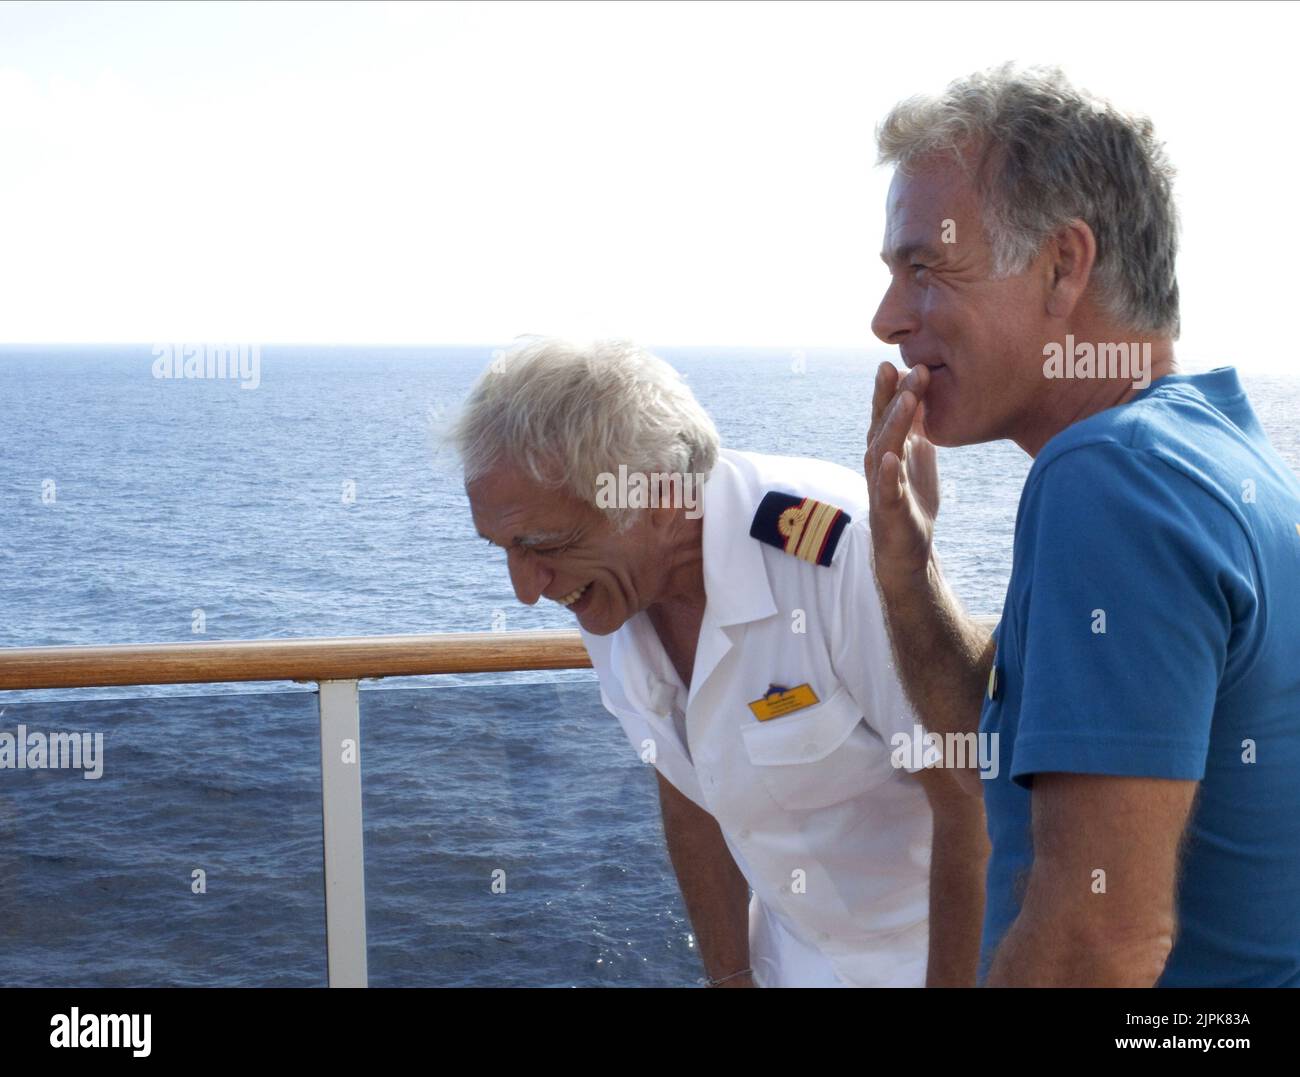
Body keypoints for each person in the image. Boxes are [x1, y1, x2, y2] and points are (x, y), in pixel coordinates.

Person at [864, 63, 1300, 986]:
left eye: (924, 268)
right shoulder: (1212, 450)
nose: (887, 317)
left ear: (1063, 266)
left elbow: (1094, 946)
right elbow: (999, 754)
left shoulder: (1111, 479)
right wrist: (910, 575)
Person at [452, 336, 987, 987]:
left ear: (660, 496)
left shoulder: (837, 555)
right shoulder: (607, 592)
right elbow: (689, 792)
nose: (527, 588)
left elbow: (970, 803)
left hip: (943, 955)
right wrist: (731, 976)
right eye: (503, 548)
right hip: (789, 958)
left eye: (542, 546)